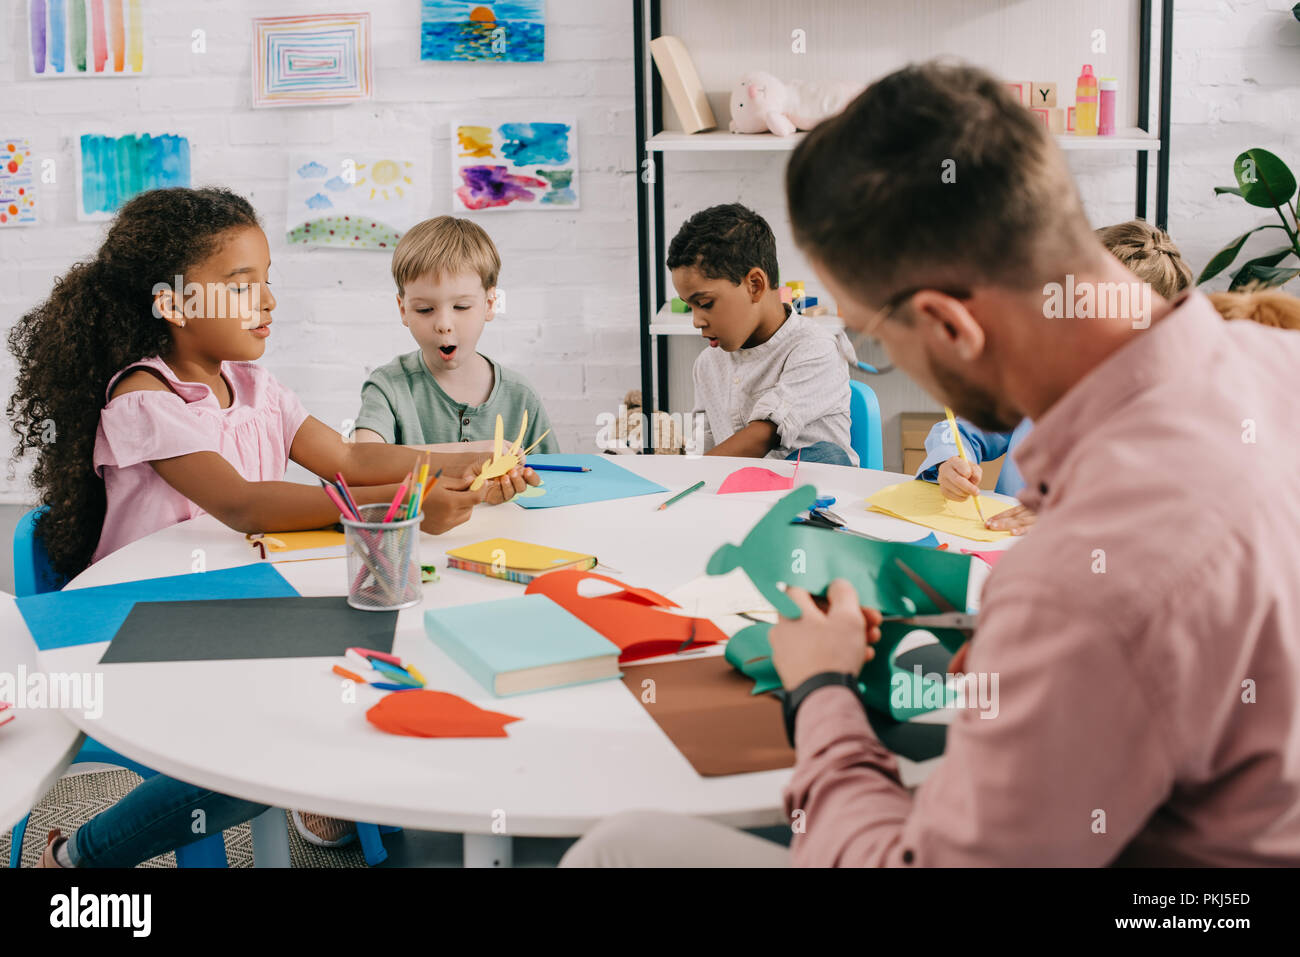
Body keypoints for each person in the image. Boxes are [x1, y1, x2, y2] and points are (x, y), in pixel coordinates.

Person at [562, 61, 1300, 867]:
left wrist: (822, 691)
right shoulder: (1274, 360)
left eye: (874, 331)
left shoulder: (1081, 583)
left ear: (949, 326)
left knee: (619, 848)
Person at [6, 187, 537, 865]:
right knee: (250, 763)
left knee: (390, 661)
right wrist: (406, 498)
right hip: (144, 626)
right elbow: (245, 504)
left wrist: (464, 458)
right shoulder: (143, 399)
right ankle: (79, 854)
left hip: (239, 607)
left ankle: (355, 807)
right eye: (240, 283)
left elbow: (344, 456)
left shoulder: (256, 386)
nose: (267, 299)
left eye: (266, 280)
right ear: (172, 302)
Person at [917, 219, 1195, 536]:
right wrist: (952, 461)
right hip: (999, 548)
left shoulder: (1167, 416)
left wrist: (1069, 516)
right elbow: (965, 429)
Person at [668, 203, 858, 466]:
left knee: (826, 456)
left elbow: (763, 435)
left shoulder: (817, 348)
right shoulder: (706, 365)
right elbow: (706, 445)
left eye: (706, 303)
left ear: (754, 285)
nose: (696, 320)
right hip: (738, 497)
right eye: (690, 306)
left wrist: (691, 474)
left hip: (813, 497)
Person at [352, 216, 560, 453]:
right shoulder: (389, 386)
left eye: (461, 307)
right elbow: (366, 459)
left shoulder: (520, 396)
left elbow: (555, 480)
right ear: (404, 310)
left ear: (490, 304)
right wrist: (470, 453)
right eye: (425, 310)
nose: (443, 324)